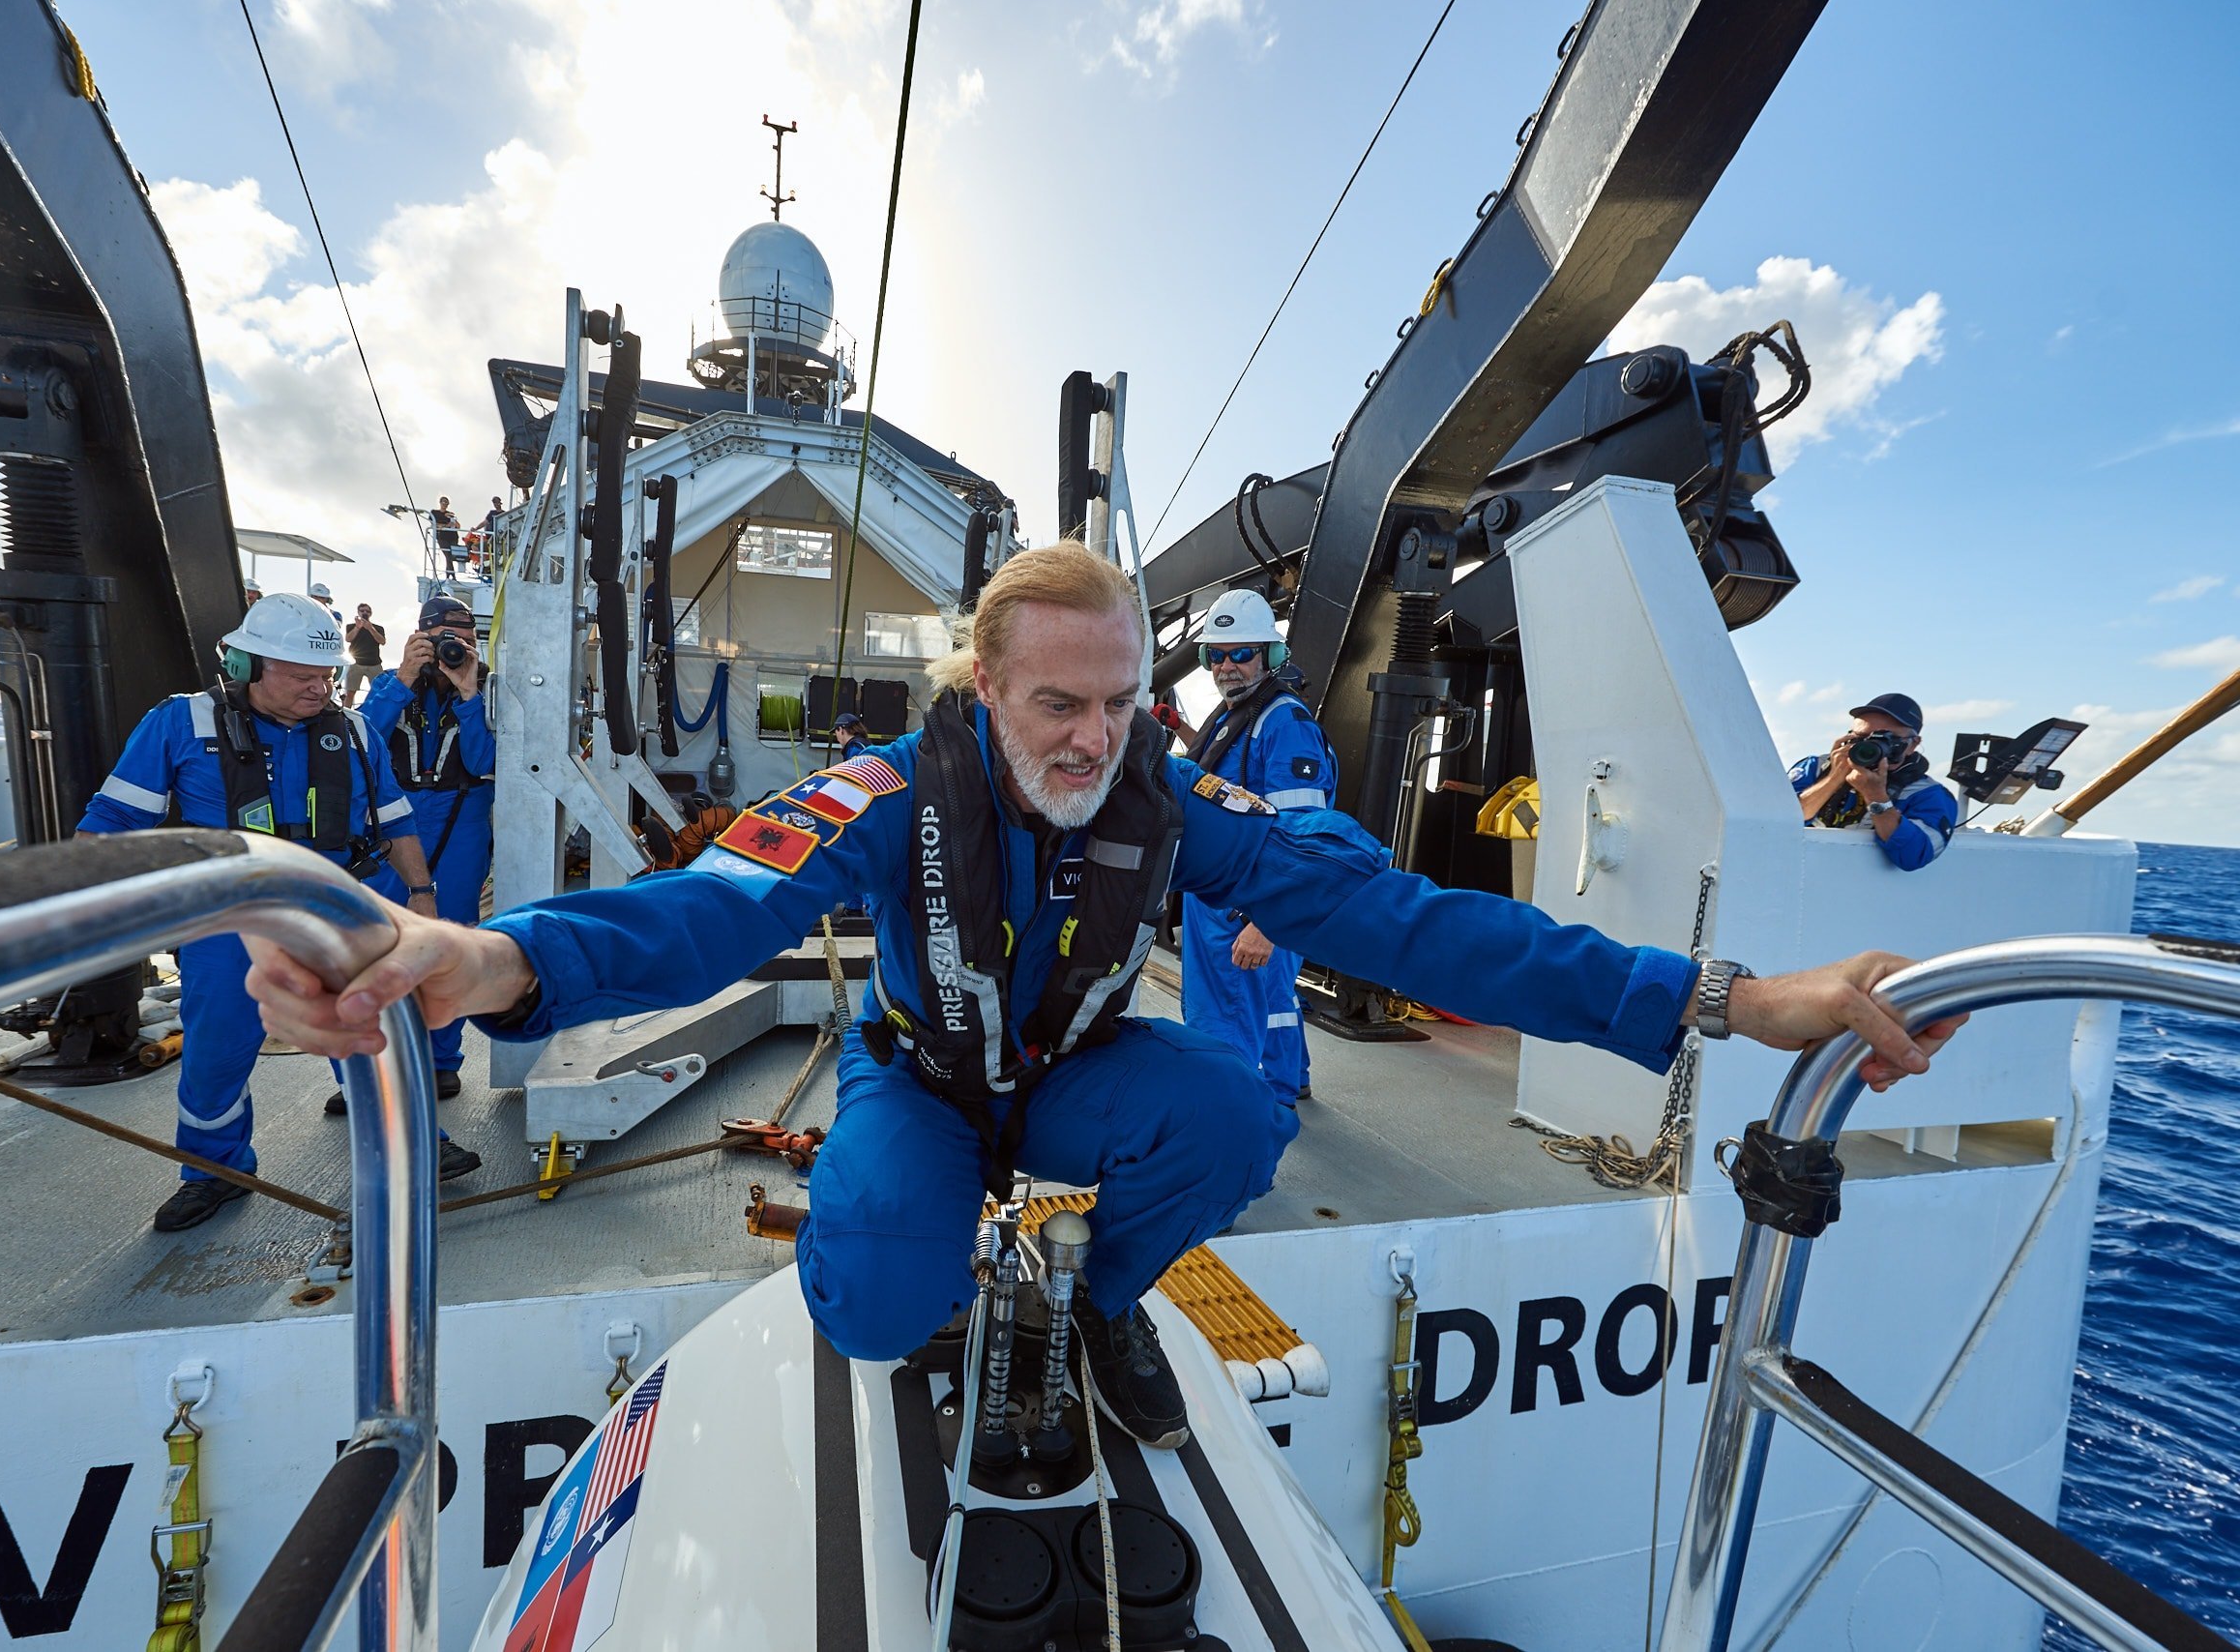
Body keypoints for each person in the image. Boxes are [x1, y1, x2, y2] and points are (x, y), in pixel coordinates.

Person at [242, 545, 1961, 1448]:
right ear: (981, 685)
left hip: (1074, 1084)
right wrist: (492, 960)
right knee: (879, 1286)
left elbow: (1430, 926)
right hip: (920, 1084)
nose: (1092, 735)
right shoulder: (876, 796)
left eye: (1121, 701)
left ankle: (1093, 1300)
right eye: (1057, 700)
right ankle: (934, 1304)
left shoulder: (1178, 807)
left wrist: (1740, 998)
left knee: (1233, 1107)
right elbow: (704, 905)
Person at [74, 592, 486, 1232]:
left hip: (341, 906)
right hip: (232, 919)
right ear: (245, 666)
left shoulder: (352, 728)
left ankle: (412, 1141)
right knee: (217, 1047)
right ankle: (214, 1172)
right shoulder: (180, 724)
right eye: (301, 676)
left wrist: (423, 895)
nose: (319, 688)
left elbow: (396, 820)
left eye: (326, 675)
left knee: (373, 1031)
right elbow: (110, 826)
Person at [1177, 589, 1335, 1106]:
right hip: (1221, 906)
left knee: (1225, 1023)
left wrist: (1267, 925)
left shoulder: (1283, 726)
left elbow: (1304, 834)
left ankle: (1234, 1126)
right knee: (1270, 1007)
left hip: (1249, 914)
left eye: (1241, 653)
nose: (1227, 666)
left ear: (1269, 656)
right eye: (1214, 655)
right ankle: (1288, 1080)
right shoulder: (1232, 717)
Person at [342, 594, 494, 1104]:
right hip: (393, 818)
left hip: (461, 817)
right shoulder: (392, 683)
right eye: (444, 637)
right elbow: (359, 745)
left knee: (450, 939)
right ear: (421, 636)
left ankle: (440, 1060)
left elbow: (484, 762)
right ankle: (373, 1065)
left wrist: (470, 695)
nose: (456, 646)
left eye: (466, 637)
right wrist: (404, 678)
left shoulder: (488, 689)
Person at [1790, 693, 1958, 871]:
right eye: (1861, 738)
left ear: (1913, 744)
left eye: (1887, 739)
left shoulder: (1928, 794)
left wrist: (1876, 797)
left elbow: (1913, 856)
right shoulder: (1815, 768)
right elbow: (1780, 820)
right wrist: (1833, 777)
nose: (1870, 746)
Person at [343, 603, 388, 704]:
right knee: (350, 692)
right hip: (356, 663)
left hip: (374, 664)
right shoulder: (351, 626)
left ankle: (378, 716)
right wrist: (358, 627)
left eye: (367, 611)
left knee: (379, 692)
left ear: (371, 613)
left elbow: (382, 641)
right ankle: (346, 716)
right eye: (362, 611)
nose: (365, 613)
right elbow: (348, 639)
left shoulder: (378, 628)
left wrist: (371, 629)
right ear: (358, 612)